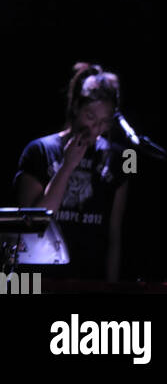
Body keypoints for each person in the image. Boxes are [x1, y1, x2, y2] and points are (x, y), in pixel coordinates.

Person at [15, 62, 131, 281]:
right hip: (42, 278)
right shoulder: (39, 150)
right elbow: (32, 226)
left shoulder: (120, 159)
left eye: (104, 122)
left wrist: (112, 286)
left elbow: (114, 235)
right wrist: (67, 166)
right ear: (76, 107)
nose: (96, 129)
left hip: (90, 277)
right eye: (90, 117)